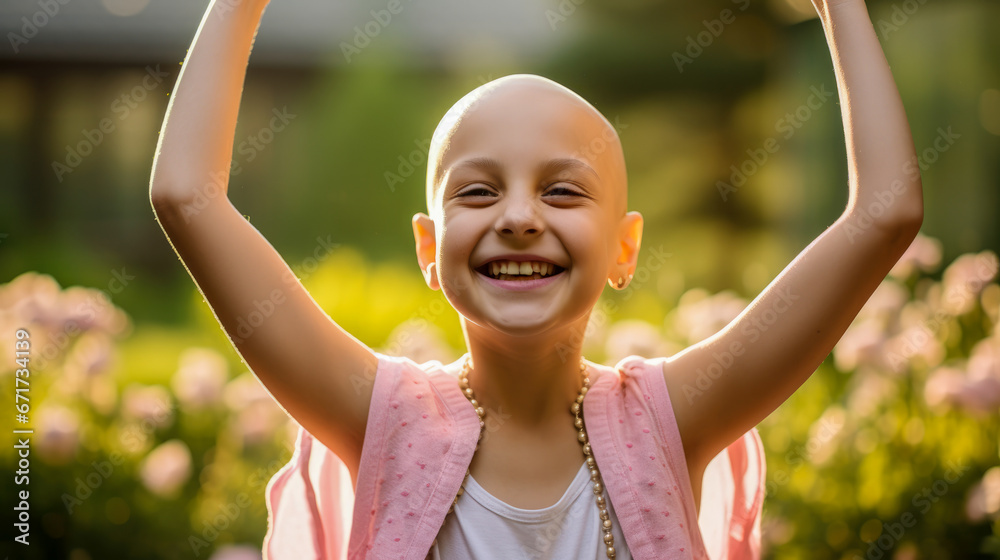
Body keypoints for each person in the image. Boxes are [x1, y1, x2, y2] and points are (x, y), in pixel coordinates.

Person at [148, 0, 923, 557]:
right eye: (478, 191)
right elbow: (186, 195)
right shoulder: (382, 420)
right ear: (429, 246)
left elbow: (885, 214)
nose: (519, 217)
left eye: (562, 190)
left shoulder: (670, 419)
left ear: (625, 250)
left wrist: (839, 6)